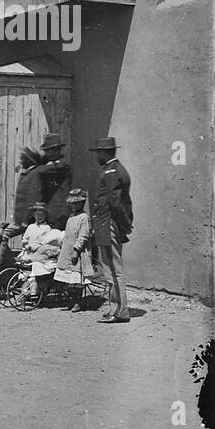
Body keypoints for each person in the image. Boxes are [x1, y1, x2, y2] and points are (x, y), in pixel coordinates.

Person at [90, 136, 133, 323]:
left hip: (108, 224)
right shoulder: (114, 170)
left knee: (113, 269)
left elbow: (116, 203)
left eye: (98, 152)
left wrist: (124, 224)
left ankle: (120, 311)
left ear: (106, 152)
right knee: (111, 268)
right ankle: (116, 308)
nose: (97, 156)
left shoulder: (111, 171)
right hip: (107, 224)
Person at [5, 132, 73, 236]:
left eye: (48, 151)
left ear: (56, 151)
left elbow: (42, 171)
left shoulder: (61, 165)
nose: (46, 154)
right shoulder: (46, 167)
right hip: (48, 212)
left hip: (59, 213)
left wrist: (35, 164)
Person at [53, 188, 96, 312]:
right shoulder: (71, 216)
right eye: (73, 203)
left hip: (78, 252)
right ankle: (71, 300)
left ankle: (78, 301)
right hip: (67, 250)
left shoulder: (84, 217)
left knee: (77, 279)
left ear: (82, 203)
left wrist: (76, 250)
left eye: (77, 203)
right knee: (68, 279)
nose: (75, 205)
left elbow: (83, 235)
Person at [12, 202, 63, 300]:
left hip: (41, 254)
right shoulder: (31, 227)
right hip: (28, 252)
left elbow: (47, 242)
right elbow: (25, 239)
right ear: (34, 215)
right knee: (23, 269)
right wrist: (25, 244)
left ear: (45, 216)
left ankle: (35, 292)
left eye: (42, 215)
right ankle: (25, 291)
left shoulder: (47, 228)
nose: (39, 217)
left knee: (35, 269)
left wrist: (36, 247)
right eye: (37, 215)